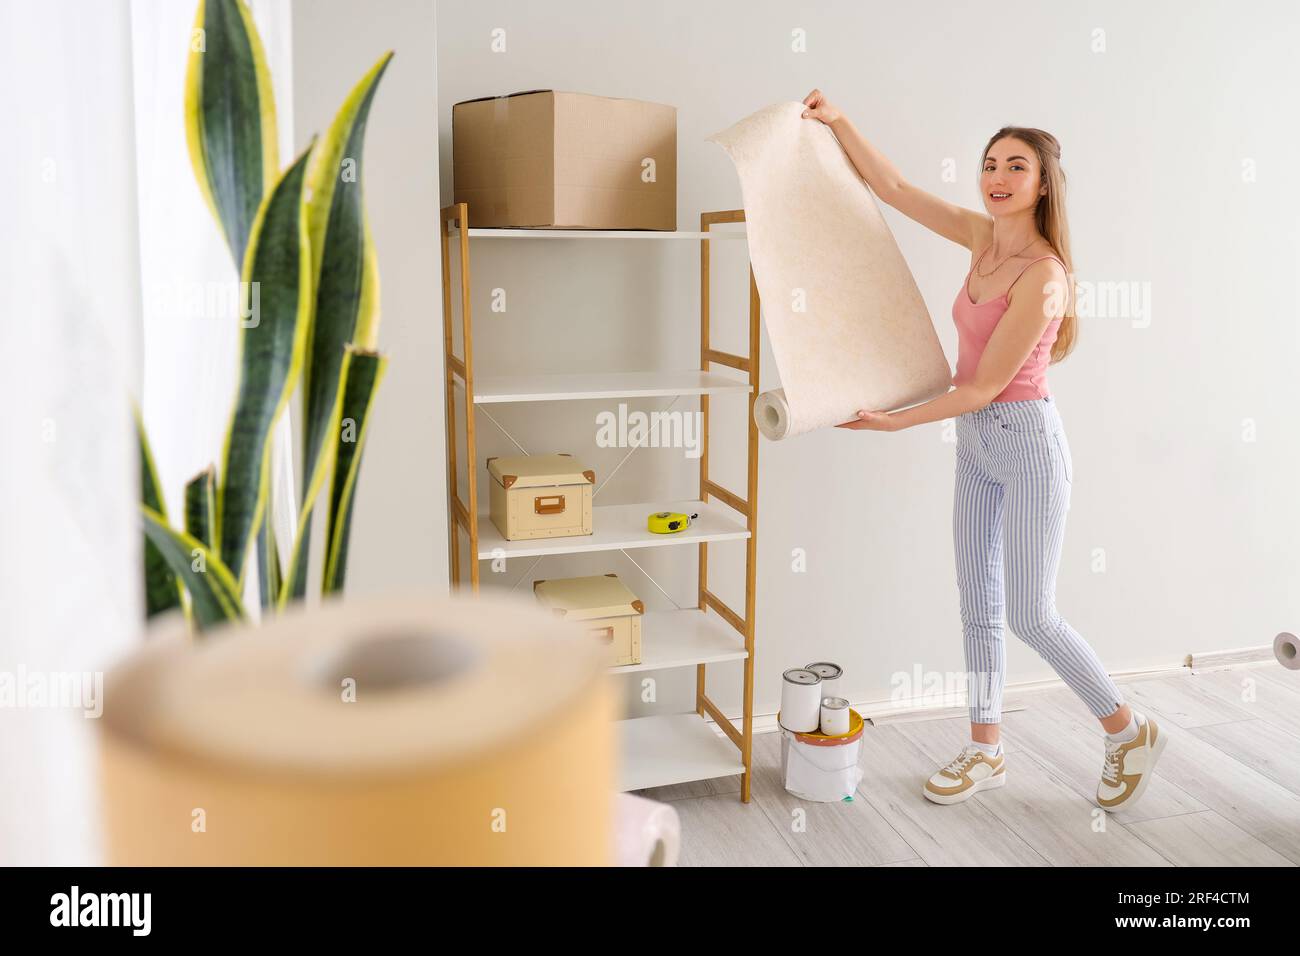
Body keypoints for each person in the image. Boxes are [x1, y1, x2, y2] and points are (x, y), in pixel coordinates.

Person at [802, 88, 1167, 812]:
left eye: (1017, 167)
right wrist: (838, 119)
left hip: (1026, 443)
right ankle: (985, 748)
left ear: (1042, 184)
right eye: (990, 163)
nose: (997, 177)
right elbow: (896, 188)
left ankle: (1128, 730)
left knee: (1032, 614)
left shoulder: (1044, 276)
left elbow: (982, 387)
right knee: (978, 604)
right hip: (977, 445)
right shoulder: (981, 237)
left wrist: (890, 421)